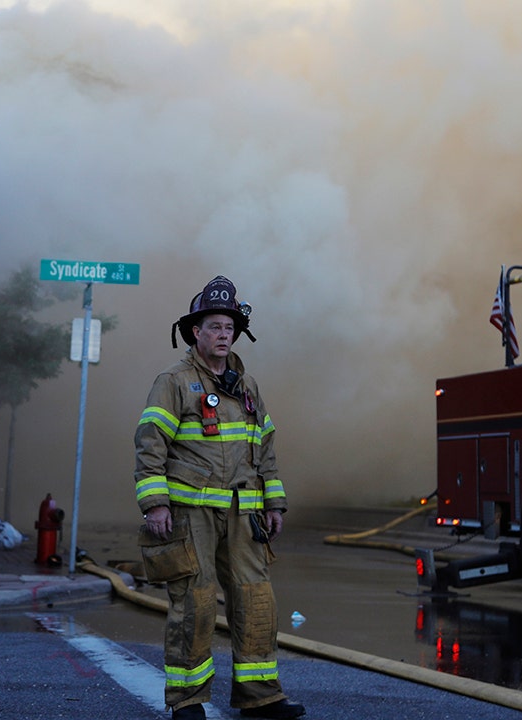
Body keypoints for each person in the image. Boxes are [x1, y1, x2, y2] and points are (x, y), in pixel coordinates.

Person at [134, 275, 306, 720]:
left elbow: (265, 447)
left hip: (244, 515)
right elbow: (150, 443)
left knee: (256, 600)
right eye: (214, 326)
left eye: (229, 327)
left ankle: (260, 696)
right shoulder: (174, 382)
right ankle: (188, 701)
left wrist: (274, 502)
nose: (223, 334)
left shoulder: (246, 387)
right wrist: (155, 503)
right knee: (197, 601)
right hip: (192, 515)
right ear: (196, 332)